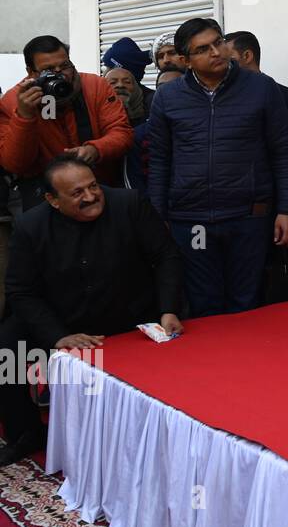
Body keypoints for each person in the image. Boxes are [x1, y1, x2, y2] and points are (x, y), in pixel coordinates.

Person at [0, 154, 185, 466]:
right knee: (8, 350)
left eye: (93, 187)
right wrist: (57, 336)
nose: (90, 197)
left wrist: (168, 309)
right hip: (62, 317)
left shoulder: (130, 204)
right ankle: (26, 433)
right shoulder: (31, 226)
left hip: (126, 313)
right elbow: (21, 291)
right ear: (52, 200)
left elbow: (166, 256)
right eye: (77, 193)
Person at [148, 19, 288, 317]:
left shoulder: (260, 87)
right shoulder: (168, 97)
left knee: (248, 303)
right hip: (192, 220)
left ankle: (249, 363)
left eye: (218, 42)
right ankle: (212, 364)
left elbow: (283, 151)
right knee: (205, 304)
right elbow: (159, 160)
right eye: (203, 49)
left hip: (249, 216)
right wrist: (158, 216)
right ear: (185, 60)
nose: (216, 52)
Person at [225, 31, 288, 302]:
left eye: (229, 60)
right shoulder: (220, 98)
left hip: (271, 208)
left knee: (266, 283)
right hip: (229, 209)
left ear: (247, 56)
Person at [0, 36, 133, 210]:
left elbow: (122, 133)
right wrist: (24, 117)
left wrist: (95, 149)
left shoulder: (95, 85)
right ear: (31, 72)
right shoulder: (14, 101)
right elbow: (16, 163)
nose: (60, 74)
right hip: (48, 196)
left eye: (64, 66)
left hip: (98, 185)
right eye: (48, 70)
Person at [124, 70, 183, 191]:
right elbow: (134, 180)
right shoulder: (139, 135)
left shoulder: (202, 129)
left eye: (176, 86)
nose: (169, 91)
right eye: (162, 88)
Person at [101, 37, 156, 127]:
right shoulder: (96, 100)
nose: (105, 74)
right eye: (113, 81)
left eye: (110, 68)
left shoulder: (152, 104)